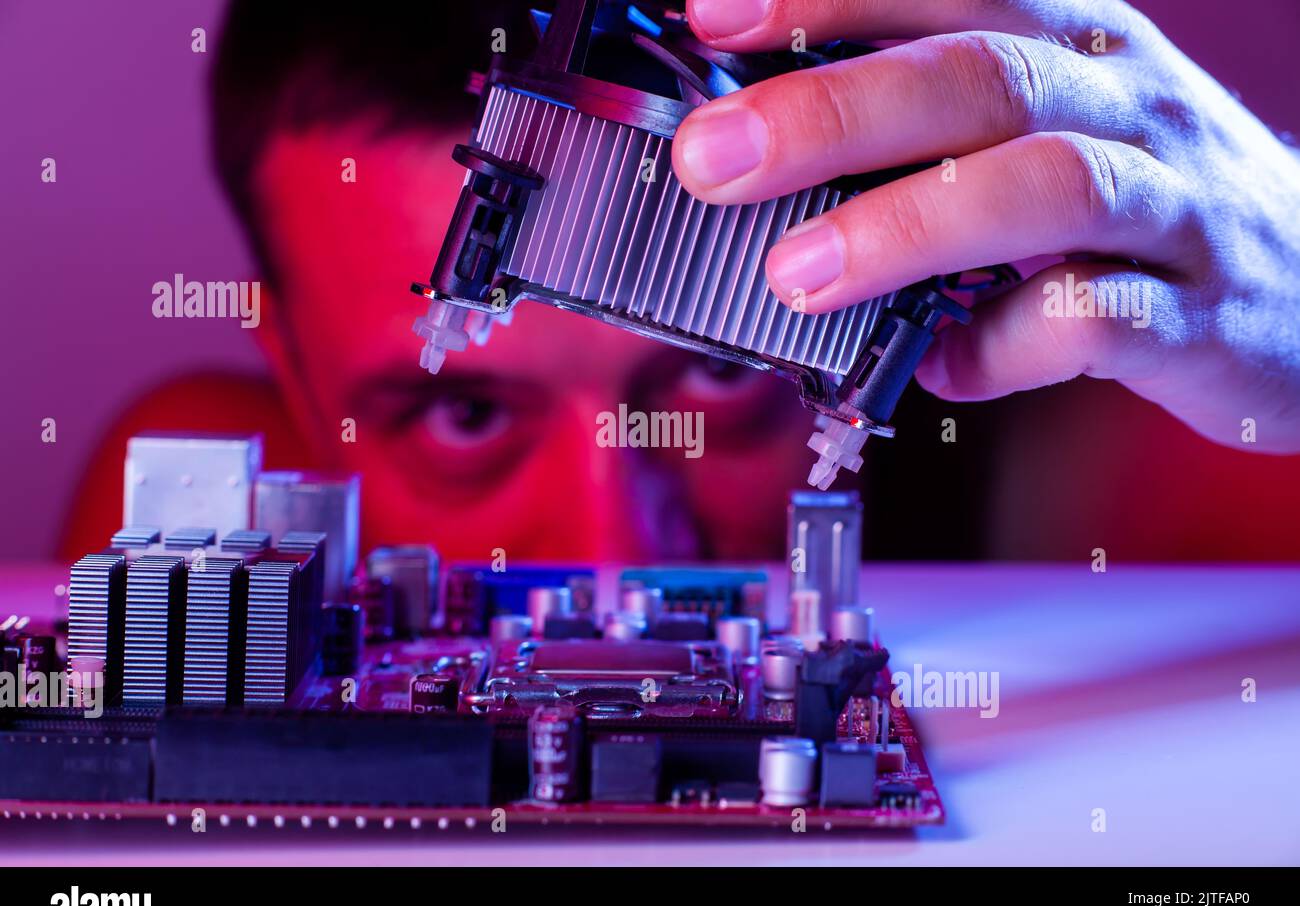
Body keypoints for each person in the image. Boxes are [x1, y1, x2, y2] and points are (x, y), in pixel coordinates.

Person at [59, 0, 1300, 565]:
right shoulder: (184, 521)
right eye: (466, 414)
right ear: (289, 370)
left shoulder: (1133, 437)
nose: (620, 555)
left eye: (719, 368)